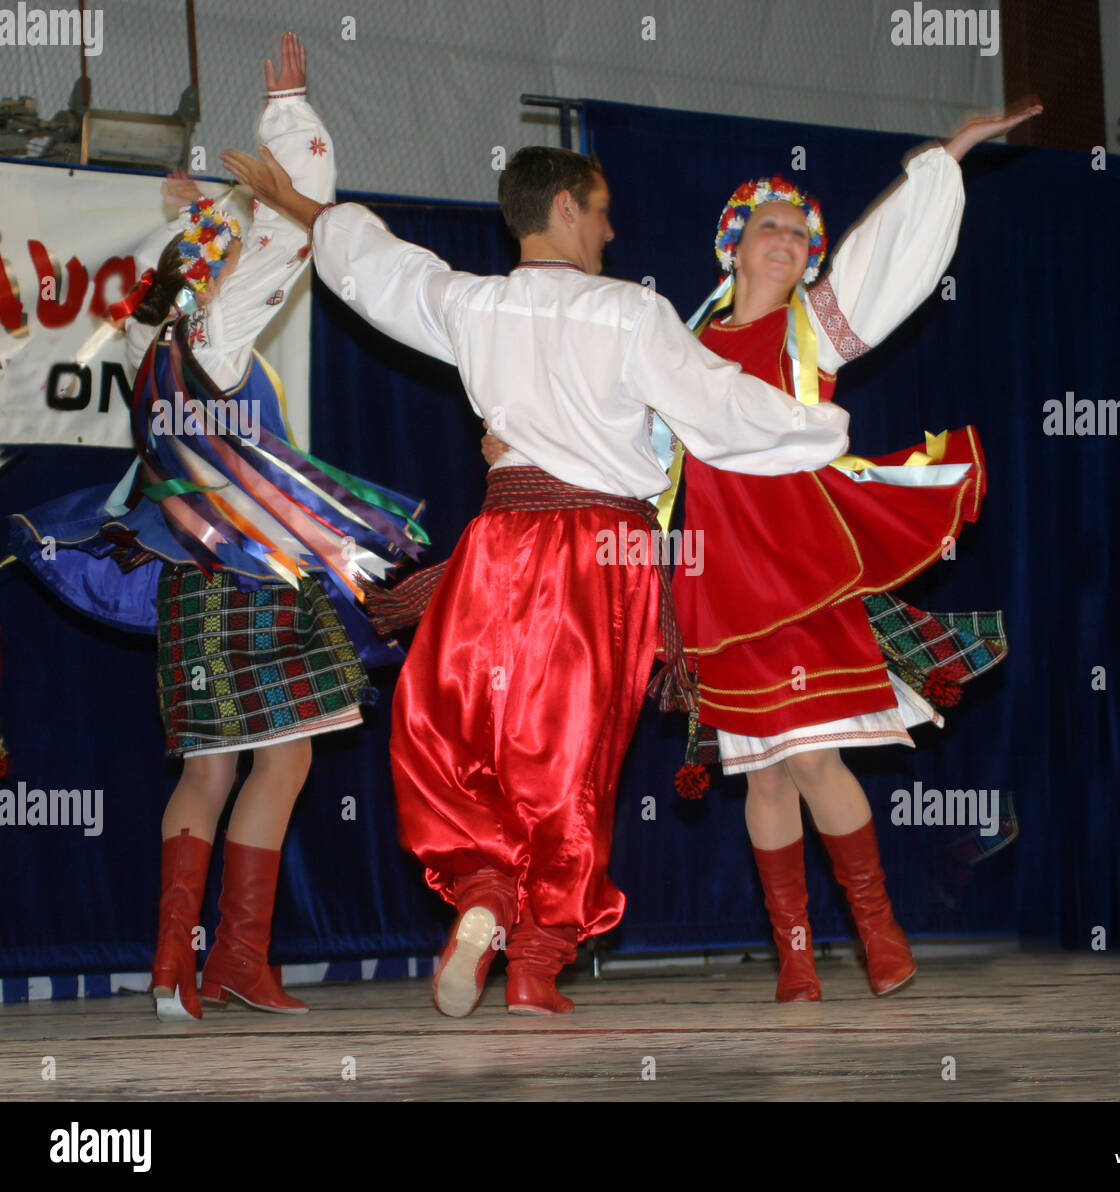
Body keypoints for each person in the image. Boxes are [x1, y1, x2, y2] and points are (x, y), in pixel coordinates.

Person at [222, 140, 850, 1016]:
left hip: (498, 543)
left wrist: (295, 202)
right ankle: (536, 963)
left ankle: (484, 891)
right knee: (572, 763)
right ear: (564, 209)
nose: (610, 226)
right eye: (599, 210)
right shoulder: (630, 313)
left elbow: (375, 267)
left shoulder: (473, 304)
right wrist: (821, 430)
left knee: (463, 736)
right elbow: (721, 406)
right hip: (600, 554)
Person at [483, 101, 1035, 1003]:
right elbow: (618, 442)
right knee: (766, 775)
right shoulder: (678, 345)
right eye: (769, 227)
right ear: (731, 245)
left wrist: (942, 162)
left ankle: (877, 930)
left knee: (818, 758)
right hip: (722, 585)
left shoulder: (811, 328)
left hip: (805, 575)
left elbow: (882, 256)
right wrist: (520, 448)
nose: (787, 240)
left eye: (800, 233)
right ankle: (796, 956)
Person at [8, 34, 427, 1021]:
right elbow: (293, 227)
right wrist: (290, 113)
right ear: (218, 275)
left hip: (195, 588)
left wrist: (207, 208)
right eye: (236, 254)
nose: (256, 260)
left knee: (220, 766)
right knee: (275, 762)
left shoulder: (157, 358)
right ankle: (234, 957)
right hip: (249, 584)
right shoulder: (217, 340)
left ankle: (180, 967)